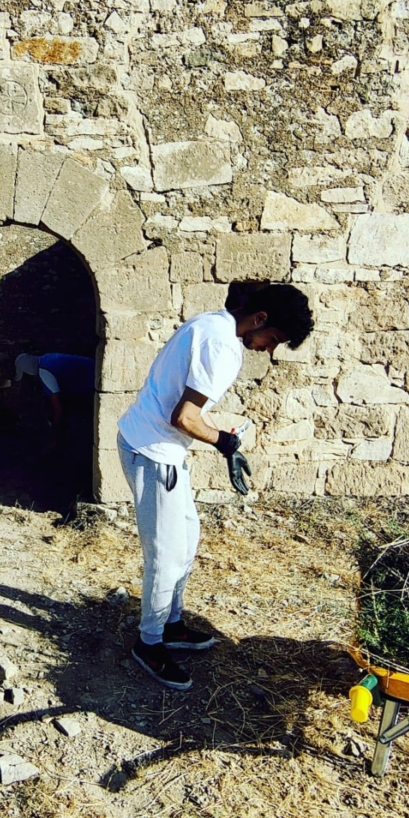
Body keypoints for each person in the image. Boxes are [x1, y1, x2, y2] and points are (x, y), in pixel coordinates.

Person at [115, 282, 313, 690]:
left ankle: (170, 625)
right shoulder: (224, 346)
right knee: (166, 557)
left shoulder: (211, 324)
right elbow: (185, 417)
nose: (269, 349)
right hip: (154, 453)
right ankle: (148, 643)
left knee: (187, 540)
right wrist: (226, 443)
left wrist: (223, 440)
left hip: (158, 449)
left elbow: (183, 413)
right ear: (259, 319)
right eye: (273, 339)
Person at [13, 352, 95, 451]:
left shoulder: (44, 373)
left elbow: (58, 407)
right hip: (93, 368)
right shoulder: (46, 357)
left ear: (28, 372)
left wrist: (53, 435)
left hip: (92, 379)